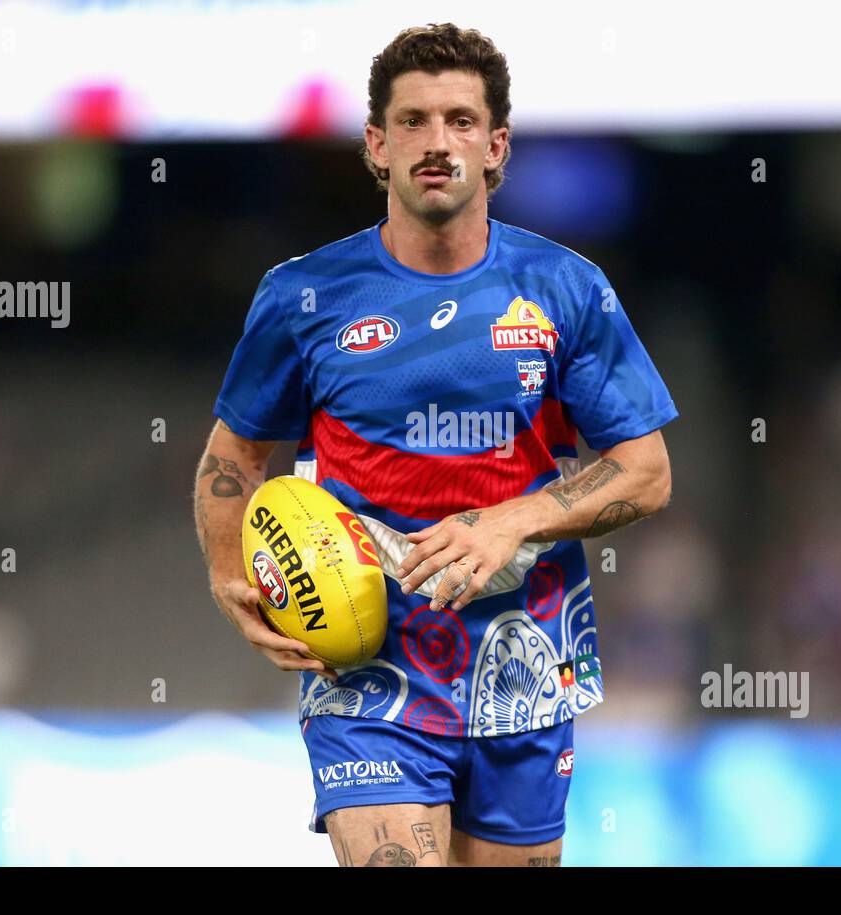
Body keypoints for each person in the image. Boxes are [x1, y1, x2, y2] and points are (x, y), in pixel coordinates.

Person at [195, 22, 676, 867]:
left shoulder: (566, 291)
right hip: (366, 669)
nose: (436, 142)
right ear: (376, 146)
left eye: (459, 121)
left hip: (525, 664)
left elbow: (647, 472)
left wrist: (510, 523)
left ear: (496, 148)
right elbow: (234, 457)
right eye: (412, 121)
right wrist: (230, 572)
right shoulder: (304, 297)